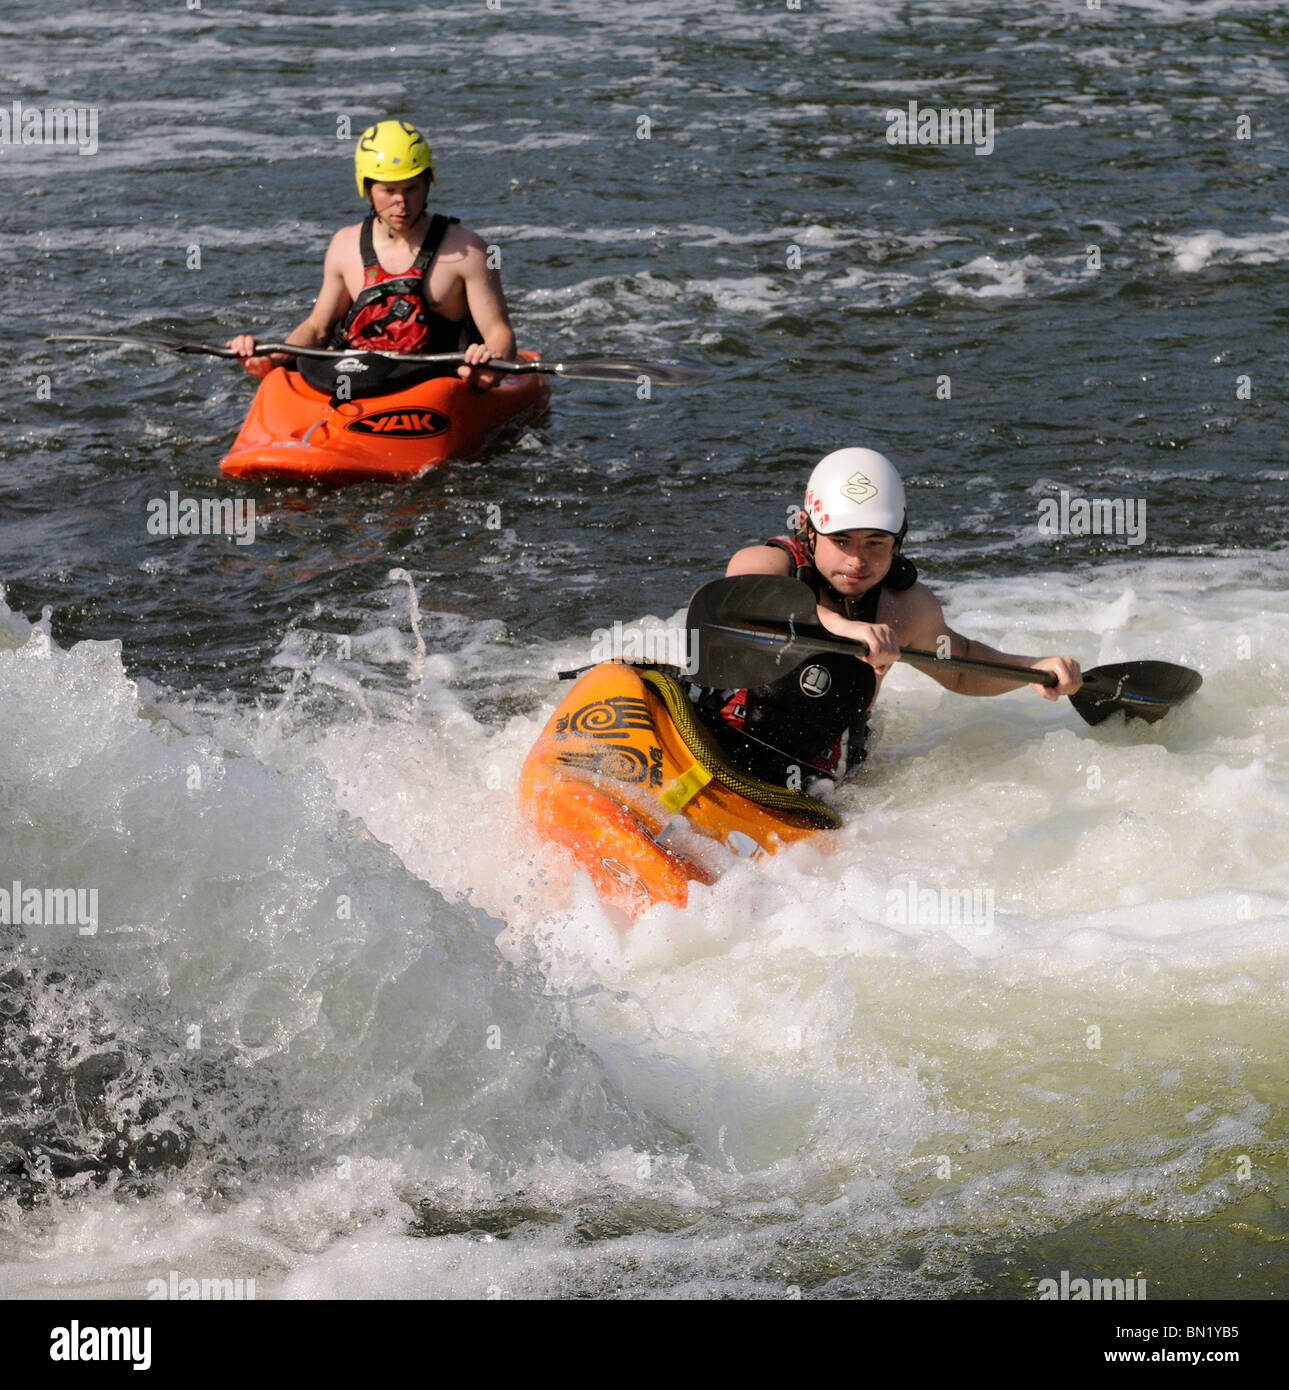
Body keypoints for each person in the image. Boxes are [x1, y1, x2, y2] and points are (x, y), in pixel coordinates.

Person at [689, 447, 1083, 787]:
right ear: (809, 532)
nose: (857, 560)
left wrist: (1032, 667)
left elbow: (960, 667)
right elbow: (740, 597)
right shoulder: (770, 565)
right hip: (720, 735)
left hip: (818, 776)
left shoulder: (906, 609)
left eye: (875, 543)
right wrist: (845, 628)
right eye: (840, 541)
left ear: (898, 543)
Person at [226, 119, 516, 393]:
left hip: (432, 383)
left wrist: (491, 358)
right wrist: (272, 356)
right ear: (367, 188)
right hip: (359, 378)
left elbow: (497, 329)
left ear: (428, 183)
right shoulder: (344, 244)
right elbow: (317, 328)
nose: (401, 203)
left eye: (411, 188)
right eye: (388, 190)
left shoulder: (468, 249)